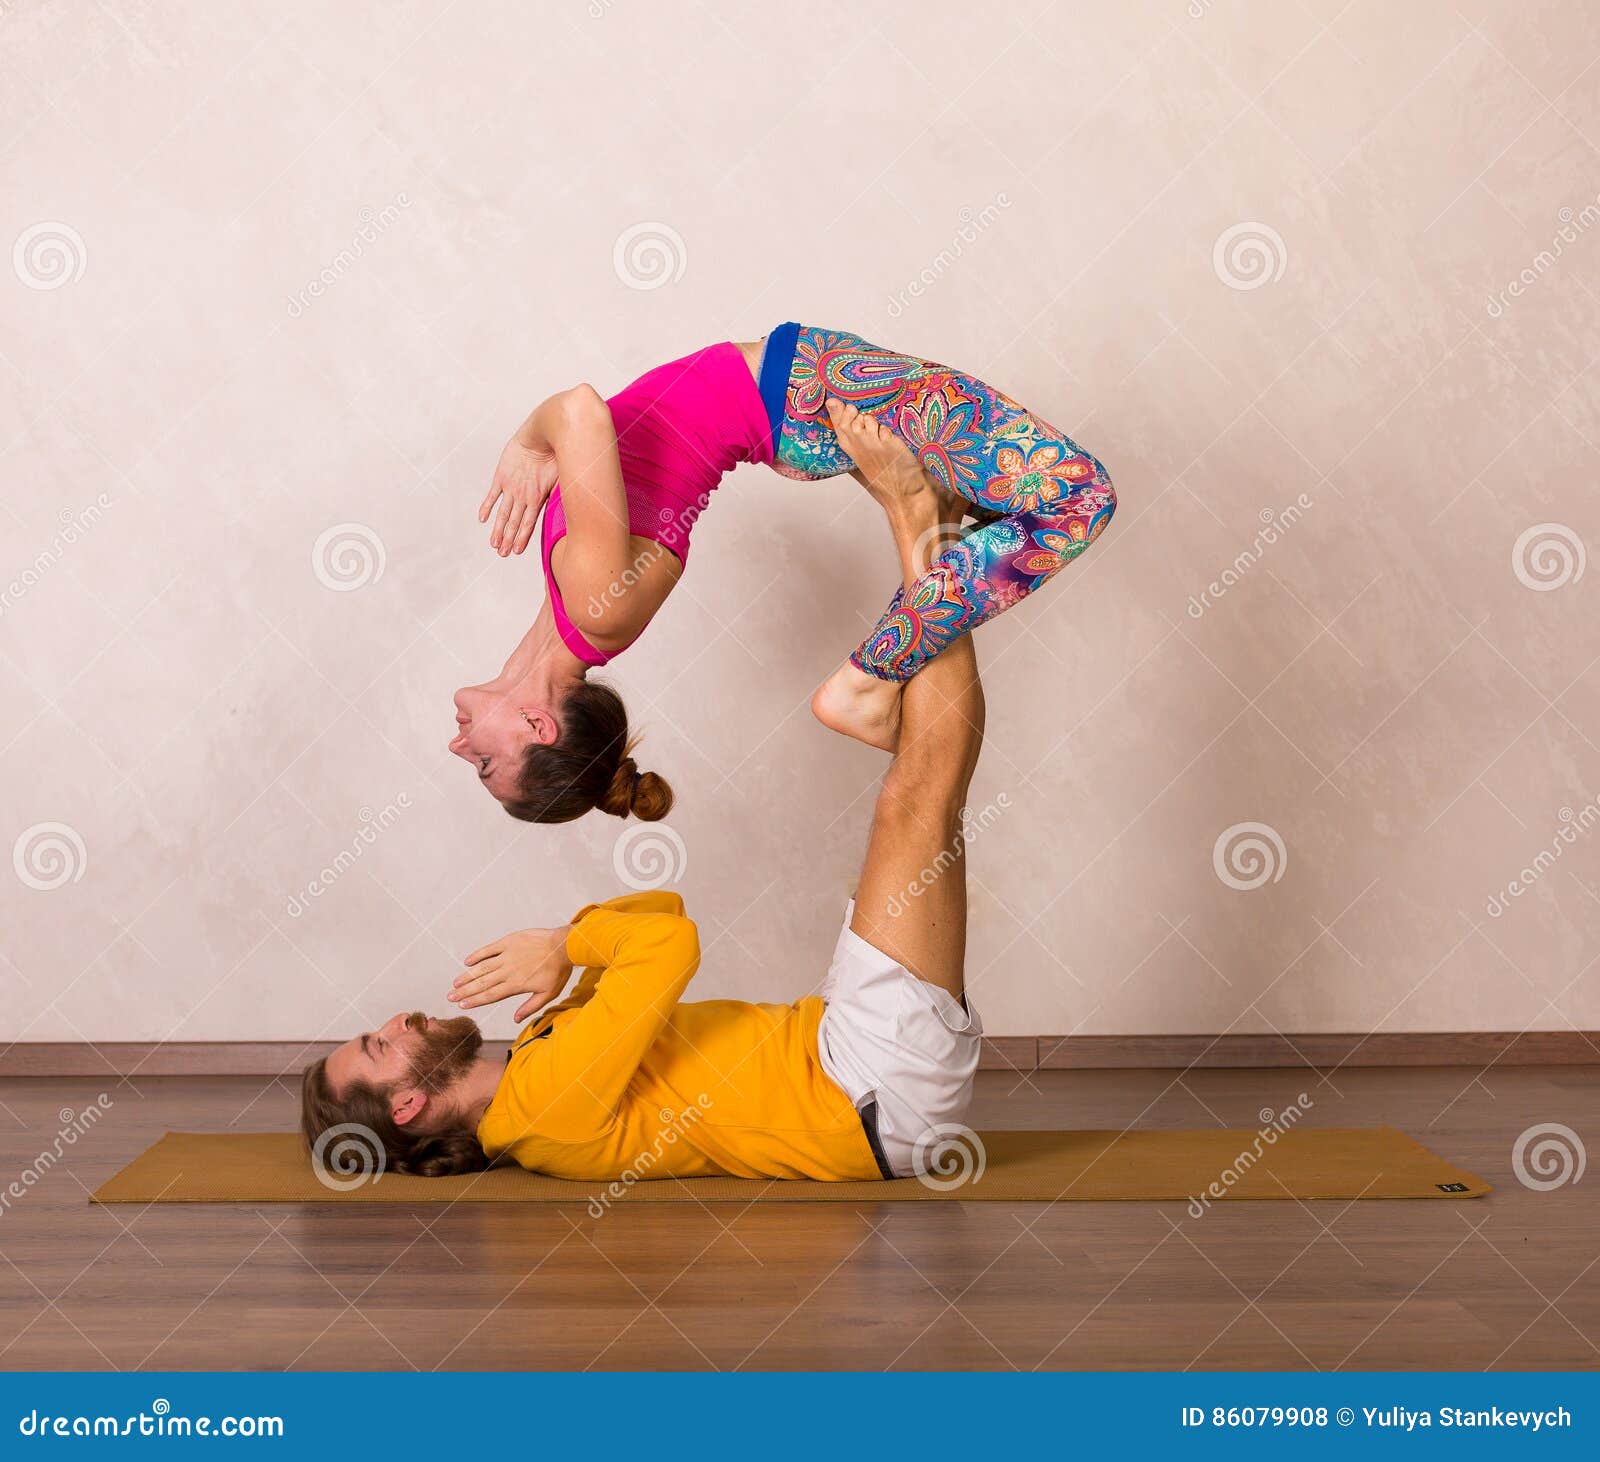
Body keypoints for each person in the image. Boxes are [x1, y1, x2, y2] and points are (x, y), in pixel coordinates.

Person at [304, 428, 988, 1181]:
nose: (396, 1022)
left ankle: (942, 537)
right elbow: (671, 949)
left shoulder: (537, 1059)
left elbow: (663, 913)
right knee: (918, 801)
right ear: (407, 1108)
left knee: (924, 792)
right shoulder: (543, 1106)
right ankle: (919, 517)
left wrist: (572, 938)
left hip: (842, 1057)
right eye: (379, 1046)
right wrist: (567, 947)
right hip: (866, 1088)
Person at [449, 322, 1113, 822]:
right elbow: (579, 411)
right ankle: (865, 682)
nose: (460, 750)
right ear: (540, 726)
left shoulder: (577, 608)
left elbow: (600, 424)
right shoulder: (596, 607)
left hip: (793, 398)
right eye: (483, 763)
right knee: (1079, 498)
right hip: (801, 392)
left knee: (1009, 511)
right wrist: (530, 442)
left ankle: (878, 673)